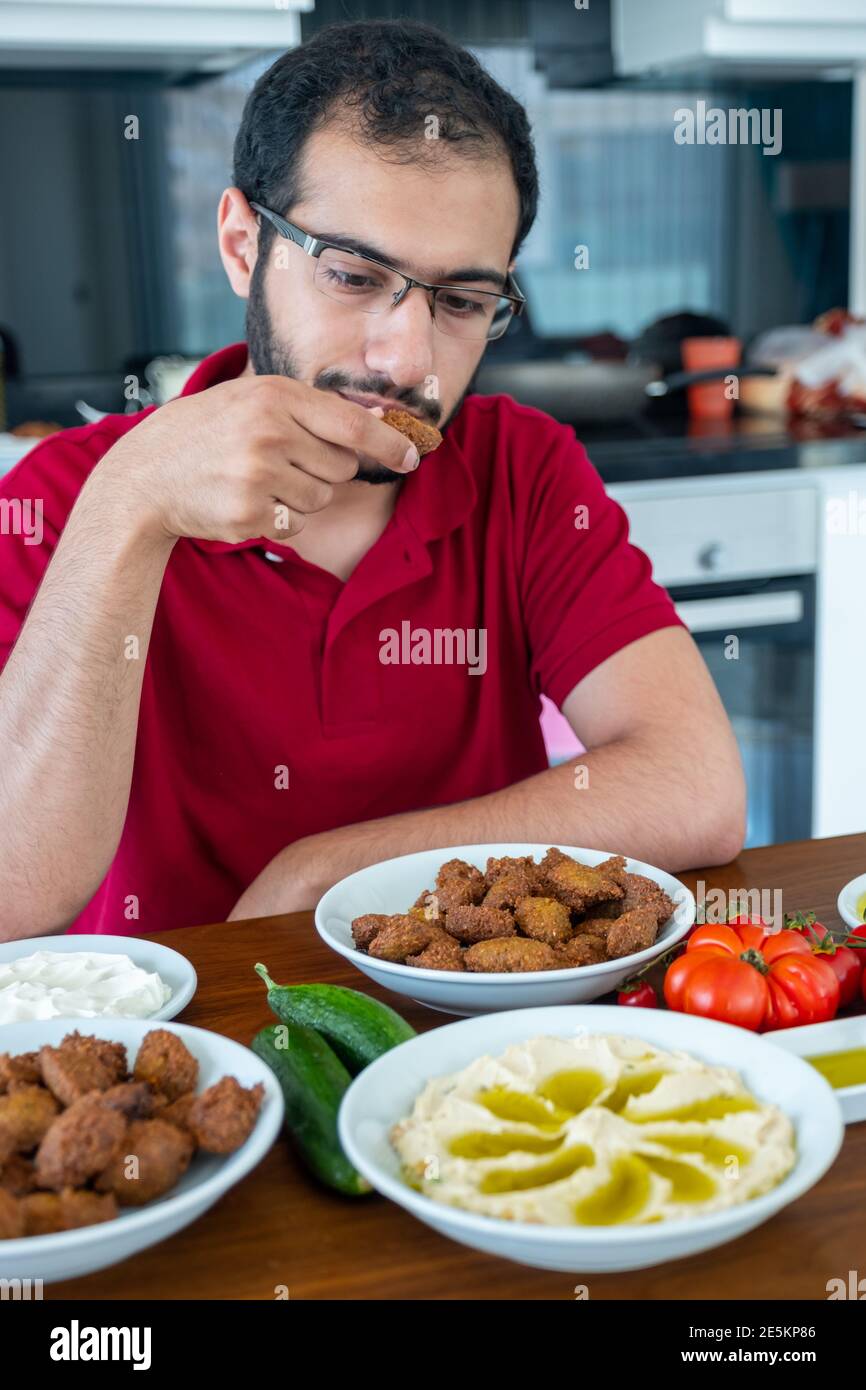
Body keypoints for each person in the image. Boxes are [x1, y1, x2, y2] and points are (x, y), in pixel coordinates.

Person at [0, 20, 744, 940]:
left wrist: (334, 869)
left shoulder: (523, 467)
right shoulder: (70, 491)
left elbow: (699, 787)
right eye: (352, 275)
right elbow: (14, 896)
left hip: (468, 1040)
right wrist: (132, 506)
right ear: (243, 245)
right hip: (182, 1050)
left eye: (464, 302)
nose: (406, 360)